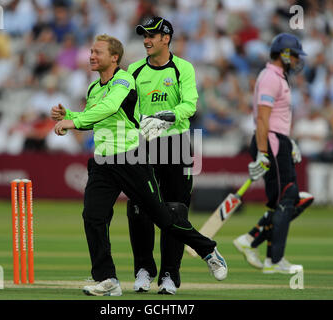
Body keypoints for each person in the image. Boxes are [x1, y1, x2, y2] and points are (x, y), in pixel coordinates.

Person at [50, 34, 227, 296]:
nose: (91, 56)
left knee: (164, 217)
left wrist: (72, 122)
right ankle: (107, 278)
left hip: (131, 158)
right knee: (93, 216)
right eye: (91, 51)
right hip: (102, 161)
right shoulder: (94, 87)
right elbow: (94, 119)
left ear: (114, 57)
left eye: (97, 52)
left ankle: (207, 249)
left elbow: (110, 108)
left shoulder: (124, 80)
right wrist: (71, 117)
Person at [125, 17, 197, 295]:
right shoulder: (133, 70)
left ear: (166, 38)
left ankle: (169, 275)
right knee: (138, 208)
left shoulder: (183, 68)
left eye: (152, 35)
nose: (146, 40)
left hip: (176, 145)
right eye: (144, 35)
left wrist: (170, 116)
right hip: (144, 145)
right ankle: (143, 270)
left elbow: (190, 103)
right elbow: (126, 107)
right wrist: (142, 120)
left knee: (175, 210)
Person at [233, 33, 314, 274]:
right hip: (271, 143)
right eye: (296, 55)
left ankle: (250, 241)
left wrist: (289, 142)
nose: (298, 60)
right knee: (287, 199)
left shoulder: (278, 77)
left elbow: (276, 119)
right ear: (285, 54)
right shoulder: (270, 78)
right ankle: (275, 260)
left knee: (288, 200)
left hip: (279, 141)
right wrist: (263, 152)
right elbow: (262, 119)